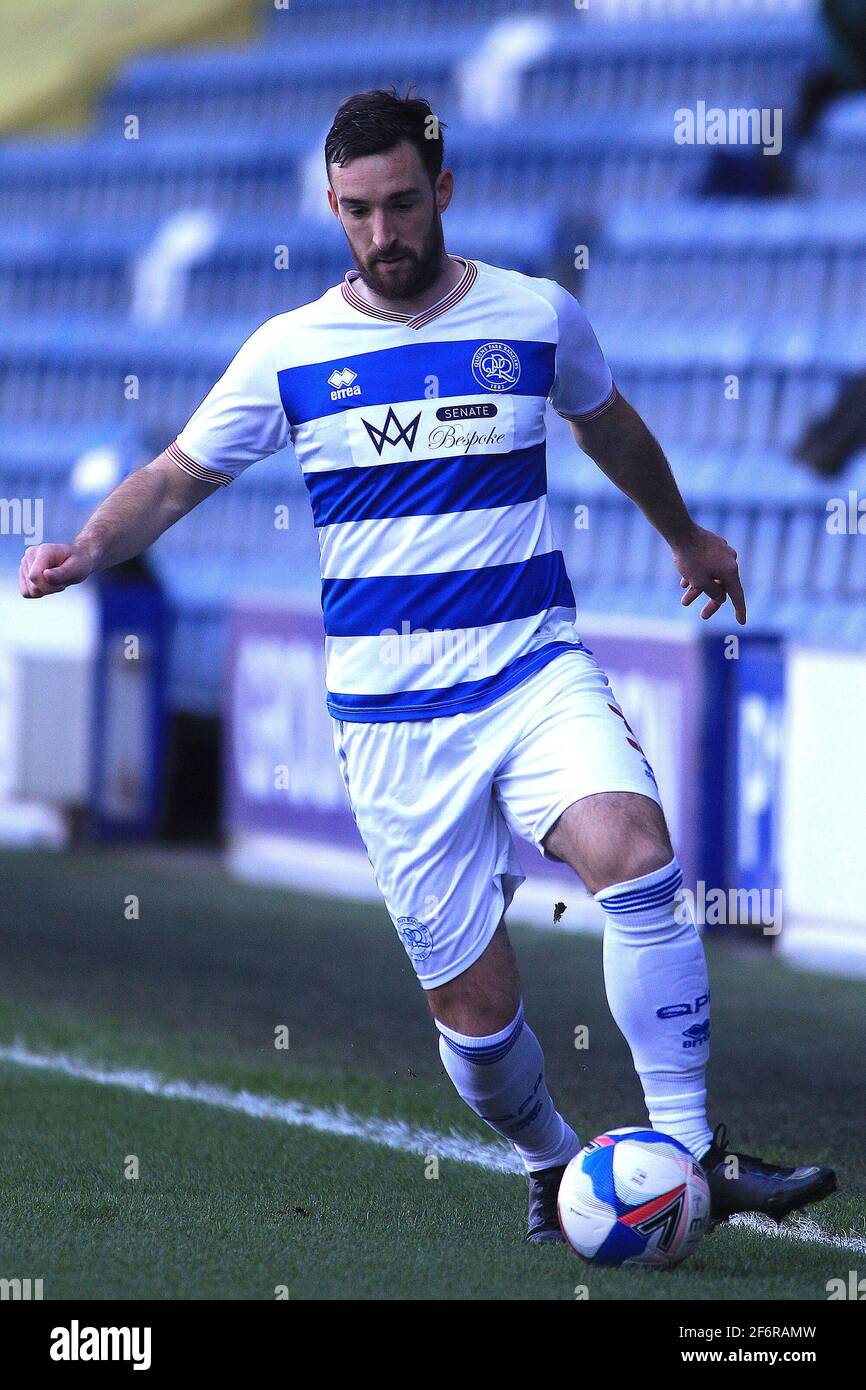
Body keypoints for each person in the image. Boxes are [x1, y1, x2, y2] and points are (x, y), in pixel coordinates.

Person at [20, 88, 835, 1242]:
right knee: (477, 1014)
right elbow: (174, 475)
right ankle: (558, 1165)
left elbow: (607, 423)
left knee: (634, 855)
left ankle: (694, 1146)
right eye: (356, 210)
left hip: (531, 670)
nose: (382, 231)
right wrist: (85, 547)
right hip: (394, 723)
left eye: (401, 203)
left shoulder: (535, 315)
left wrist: (684, 534)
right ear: (333, 207)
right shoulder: (290, 351)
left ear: (441, 190)